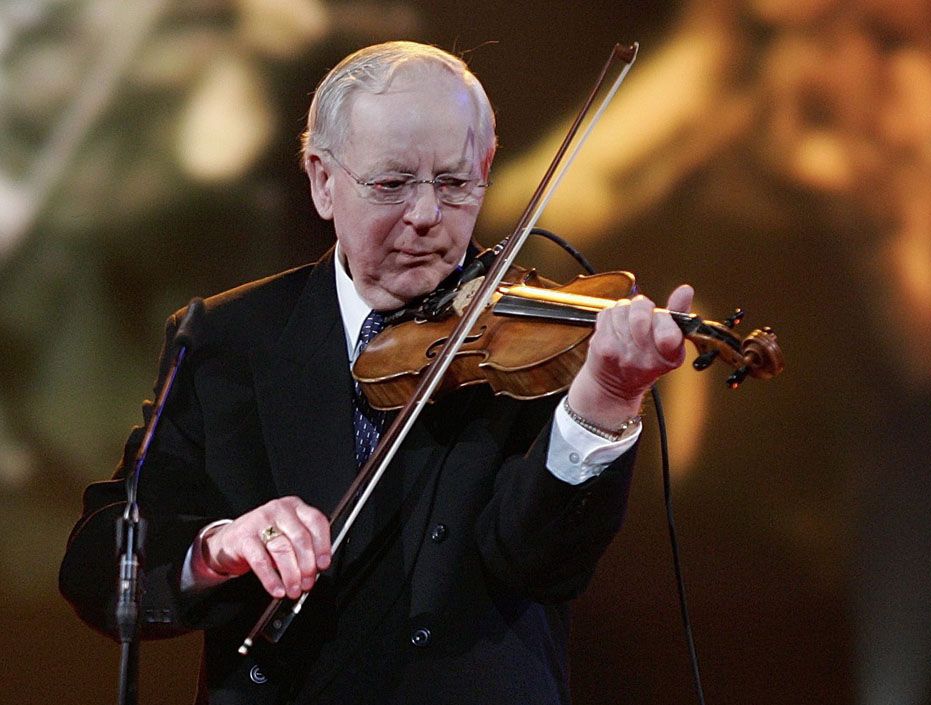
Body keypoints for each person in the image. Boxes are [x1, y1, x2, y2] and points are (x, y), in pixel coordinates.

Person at [59, 41, 694, 705]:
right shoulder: (228, 338)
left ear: (486, 168)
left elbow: (542, 559)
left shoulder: (539, 339)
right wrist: (218, 547)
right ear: (322, 181)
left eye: (454, 183)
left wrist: (603, 402)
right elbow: (99, 561)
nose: (425, 215)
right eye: (391, 185)